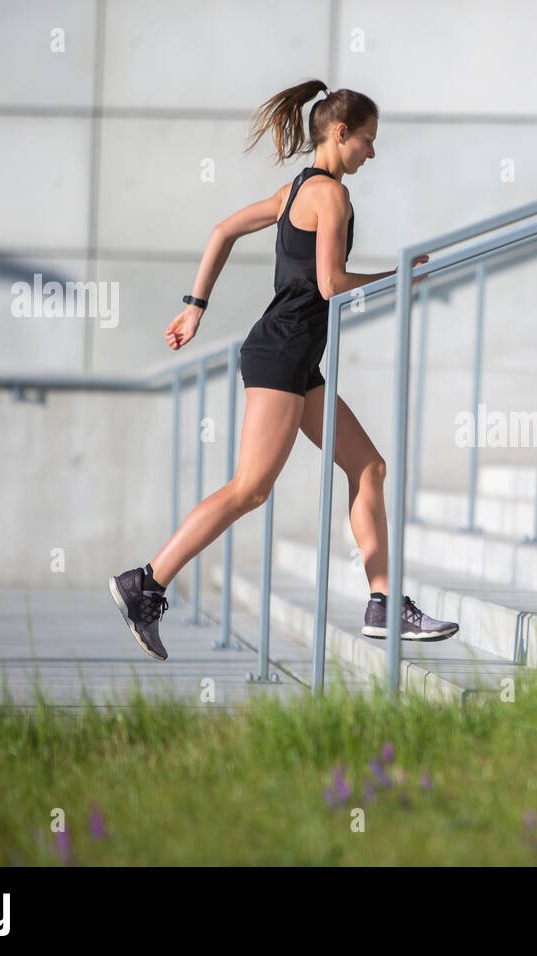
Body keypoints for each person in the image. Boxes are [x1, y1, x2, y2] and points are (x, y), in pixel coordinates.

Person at [109, 79, 458, 662]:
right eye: (368, 141)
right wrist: (403, 278)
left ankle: (383, 605)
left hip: (293, 357)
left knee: (368, 467)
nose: (372, 153)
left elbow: (222, 230)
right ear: (341, 134)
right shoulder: (333, 197)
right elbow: (331, 285)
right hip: (283, 352)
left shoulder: (297, 188)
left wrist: (194, 308)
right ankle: (145, 583)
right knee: (251, 489)